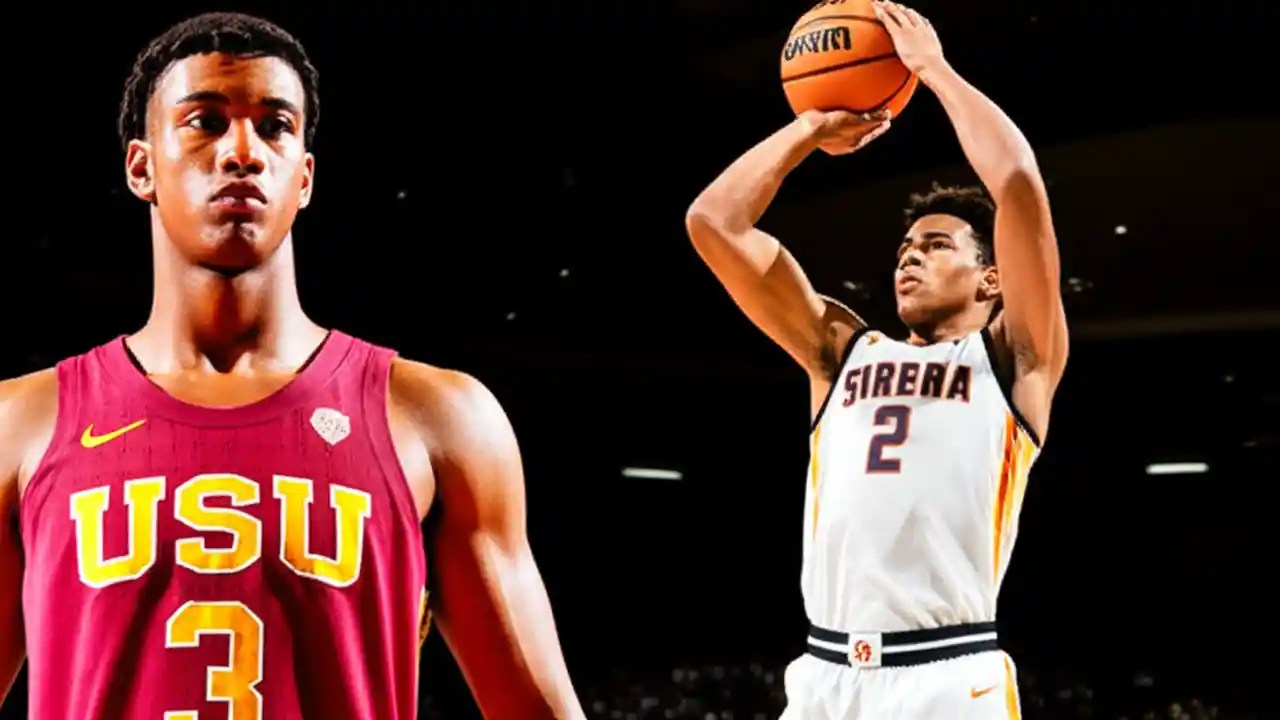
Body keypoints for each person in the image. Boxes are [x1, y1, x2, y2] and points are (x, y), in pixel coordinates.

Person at [0, 12, 584, 720]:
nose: (242, 151)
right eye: (205, 122)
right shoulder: (20, 425)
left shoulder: (441, 420)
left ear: (303, 177)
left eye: (274, 126)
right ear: (140, 167)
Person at [684, 2, 1068, 717]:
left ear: (991, 278)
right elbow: (713, 223)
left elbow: (1017, 181)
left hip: (948, 676)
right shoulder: (839, 351)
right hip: (825, 674)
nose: (910, 258)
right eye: (904, 250)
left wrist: (934, 72)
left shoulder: (1015, 360)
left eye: (936, 246)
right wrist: (807, 129)